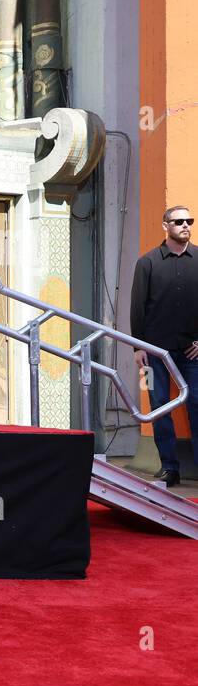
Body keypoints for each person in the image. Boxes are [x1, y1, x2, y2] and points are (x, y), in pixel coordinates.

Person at [130, 205, 198, 487]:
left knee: (196, 403)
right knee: (157, 405)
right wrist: (137, 348)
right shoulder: (147, 263)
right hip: (152, 354)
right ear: (165, 226)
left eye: (189, 221)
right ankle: (169, 467)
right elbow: (137, 307)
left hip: (192, 352)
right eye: (178, 221)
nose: (185, 225)